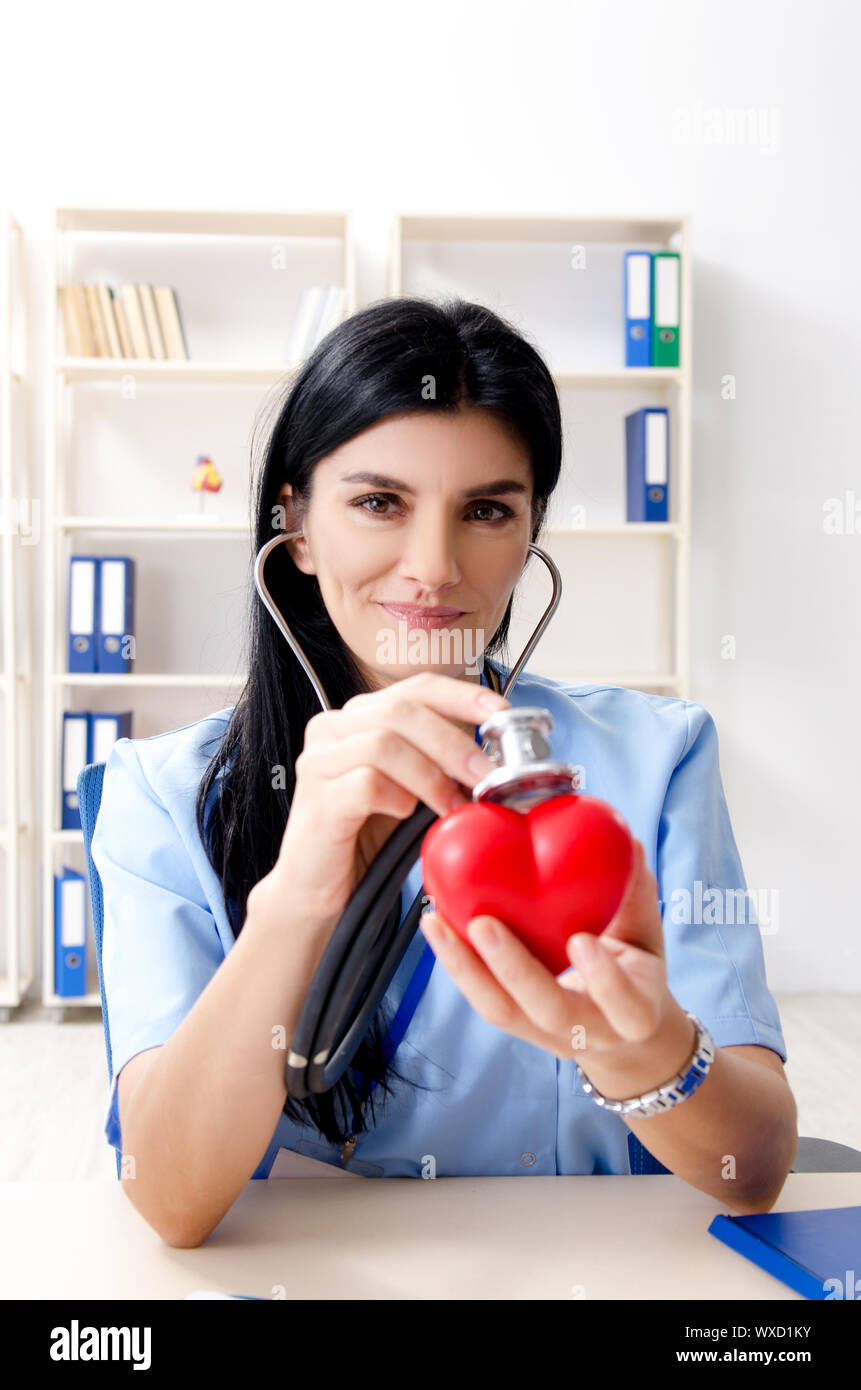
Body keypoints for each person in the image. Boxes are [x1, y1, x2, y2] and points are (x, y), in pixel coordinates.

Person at [91, 297, 797, 1248]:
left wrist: (643, 1048)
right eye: (379, 502)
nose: (432, 567)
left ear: (531, 531)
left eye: (486, 510)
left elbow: (748, 1173)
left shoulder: (656, 758)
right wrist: (299, 893)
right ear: (295, 525)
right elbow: (172, 1201)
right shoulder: (161, 794)